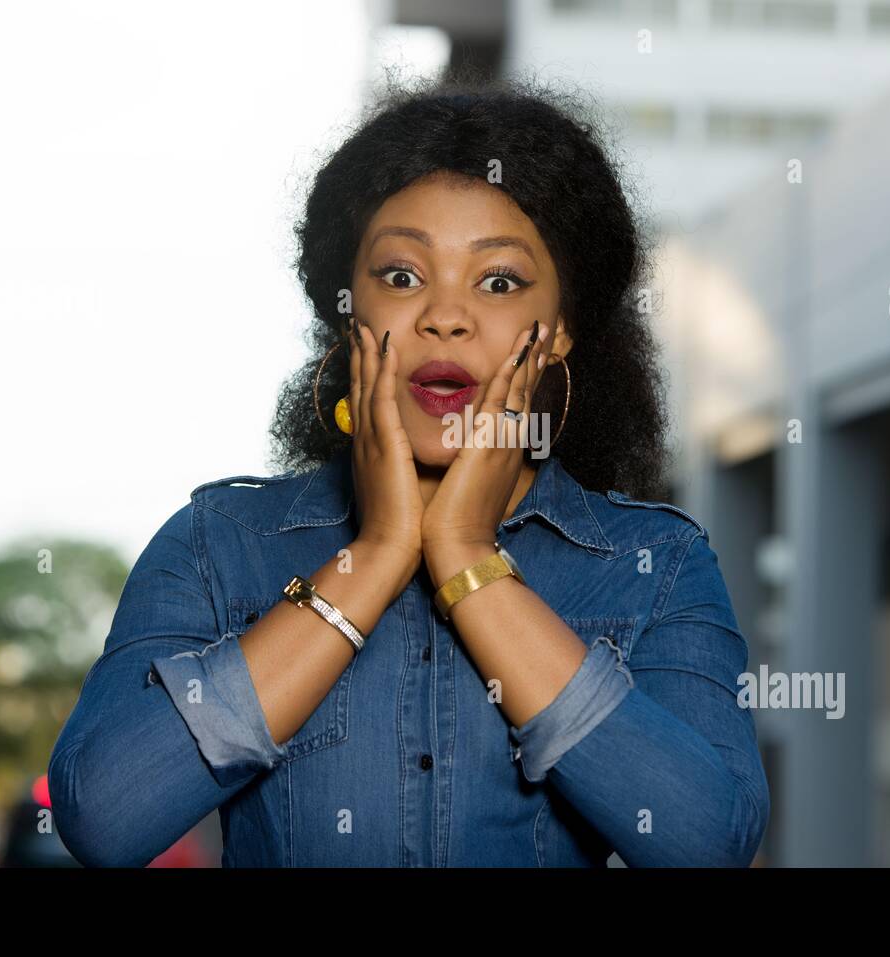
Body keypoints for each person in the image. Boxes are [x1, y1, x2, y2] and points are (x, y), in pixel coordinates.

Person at [48, 74, 770, 868]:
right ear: (346, 306)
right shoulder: (216, 544)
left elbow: (708, 843)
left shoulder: (655, 566)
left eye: (499, 280)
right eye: (401, 275)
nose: (444, 314)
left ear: (559, 330)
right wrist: (383, 550)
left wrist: (463, 553)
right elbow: (106, 817)